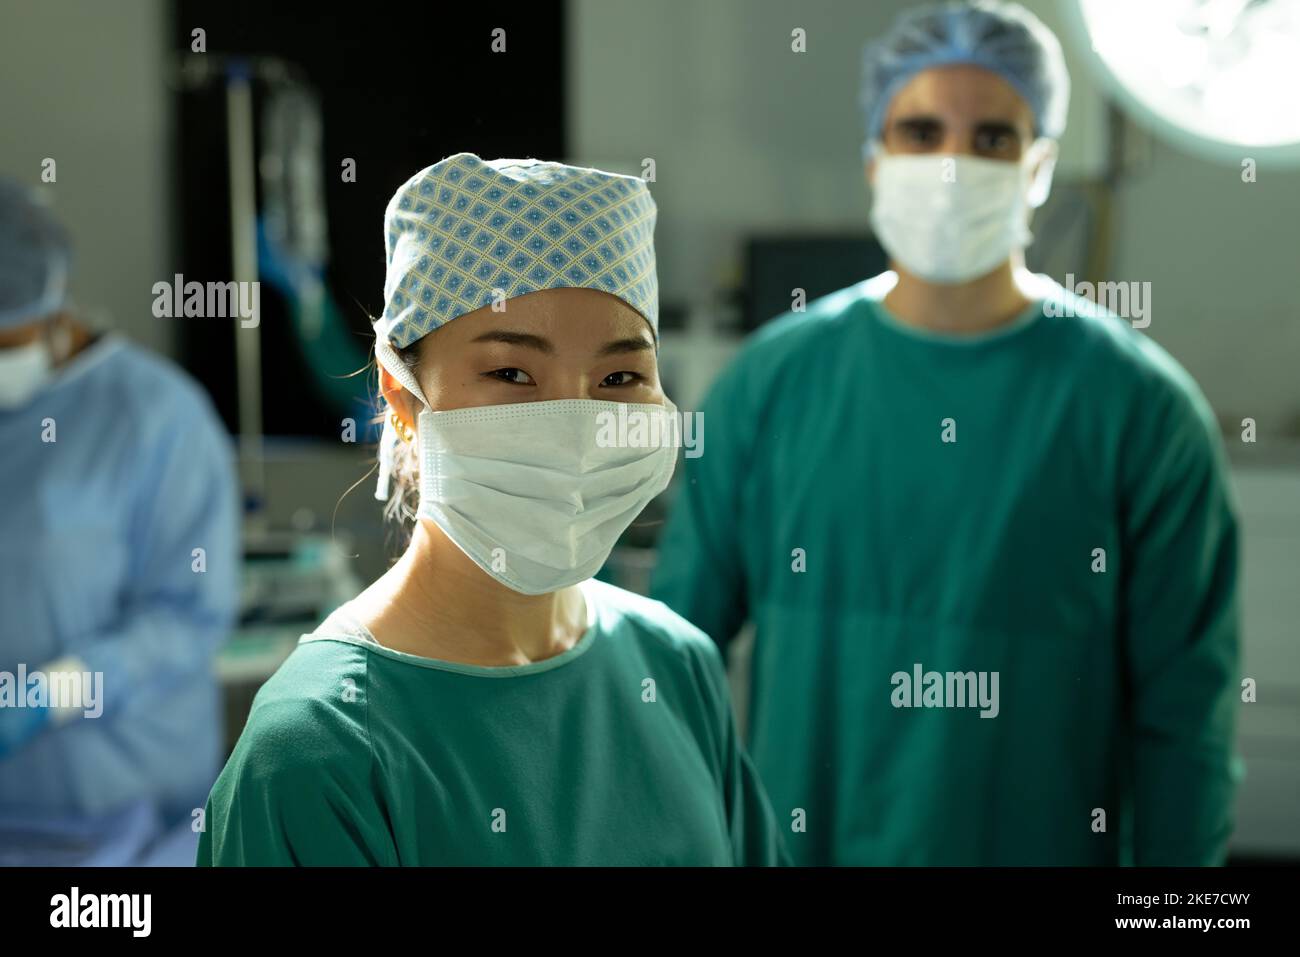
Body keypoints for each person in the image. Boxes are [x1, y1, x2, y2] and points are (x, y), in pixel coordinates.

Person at [651, 0, 1241, 866]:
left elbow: (1186, 717)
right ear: (874, 157)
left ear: (1040, 165)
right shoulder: (774, 385)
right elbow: (670, 664)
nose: (953, 163)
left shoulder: (1140, 409)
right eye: (920, 131)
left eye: (993, 137)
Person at [197, 153, 788, 866]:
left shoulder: (673, 665)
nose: (575, 419)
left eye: (620, 375)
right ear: (401, 395)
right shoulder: (319, 750)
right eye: (511, 372)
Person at [0, 178, 240, 829]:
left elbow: (187, 618)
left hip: (120, 798)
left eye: (4, 342)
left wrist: (51, 692)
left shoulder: (157, 417)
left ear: (56, 313)